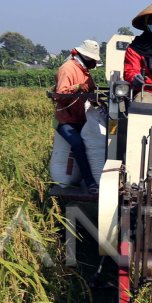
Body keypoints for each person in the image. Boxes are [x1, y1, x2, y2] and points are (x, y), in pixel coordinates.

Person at [54, 39, 101, 191]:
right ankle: (90, 182)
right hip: (66, 120)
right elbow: (60, 94)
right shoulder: (67, 68)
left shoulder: (84, 72)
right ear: (85, 57)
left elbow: (91, 92)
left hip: (81, 119)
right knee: (78, 145)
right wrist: (78, 87)